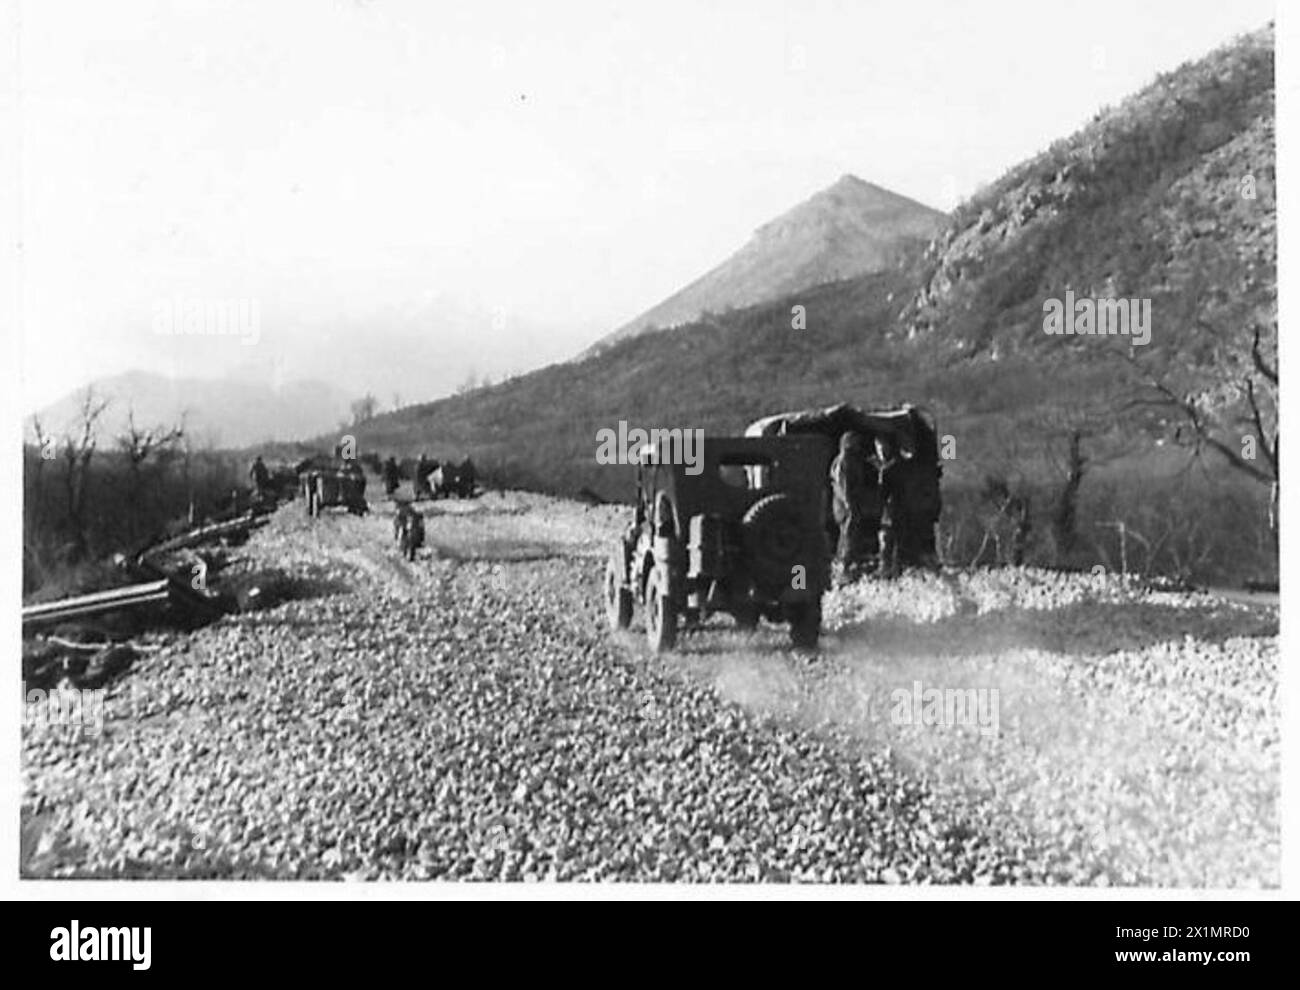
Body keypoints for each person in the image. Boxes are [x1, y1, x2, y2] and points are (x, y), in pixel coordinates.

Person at [830, 432, 872, 582]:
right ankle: (843, 567)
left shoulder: (852, 461)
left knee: (851, 534)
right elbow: (843, 485)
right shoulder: (843, 462)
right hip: (845, 506)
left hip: (850, 504)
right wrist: (849, 504)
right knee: (847, 535)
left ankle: (848, 566)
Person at [873, 435, 902, 578]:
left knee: (887, 543)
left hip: (891, 513)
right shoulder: (901, 465)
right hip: (899, 512)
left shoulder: (887, 470)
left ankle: (885, 571)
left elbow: (881, 494)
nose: (882, 452)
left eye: (883, 448)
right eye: (879, 448)